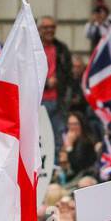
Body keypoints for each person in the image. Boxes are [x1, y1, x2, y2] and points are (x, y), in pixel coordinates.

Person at [39, 16, 73, 149]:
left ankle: (57, 168)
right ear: (39, 29)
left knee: (58, 138)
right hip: (38, 101)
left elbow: (68, 74)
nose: (49, 30)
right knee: (40, 138)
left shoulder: (61, 48)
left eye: (52, 27)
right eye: (46, 27)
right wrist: (46, 83)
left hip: (58, 101)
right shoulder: (32, 48)